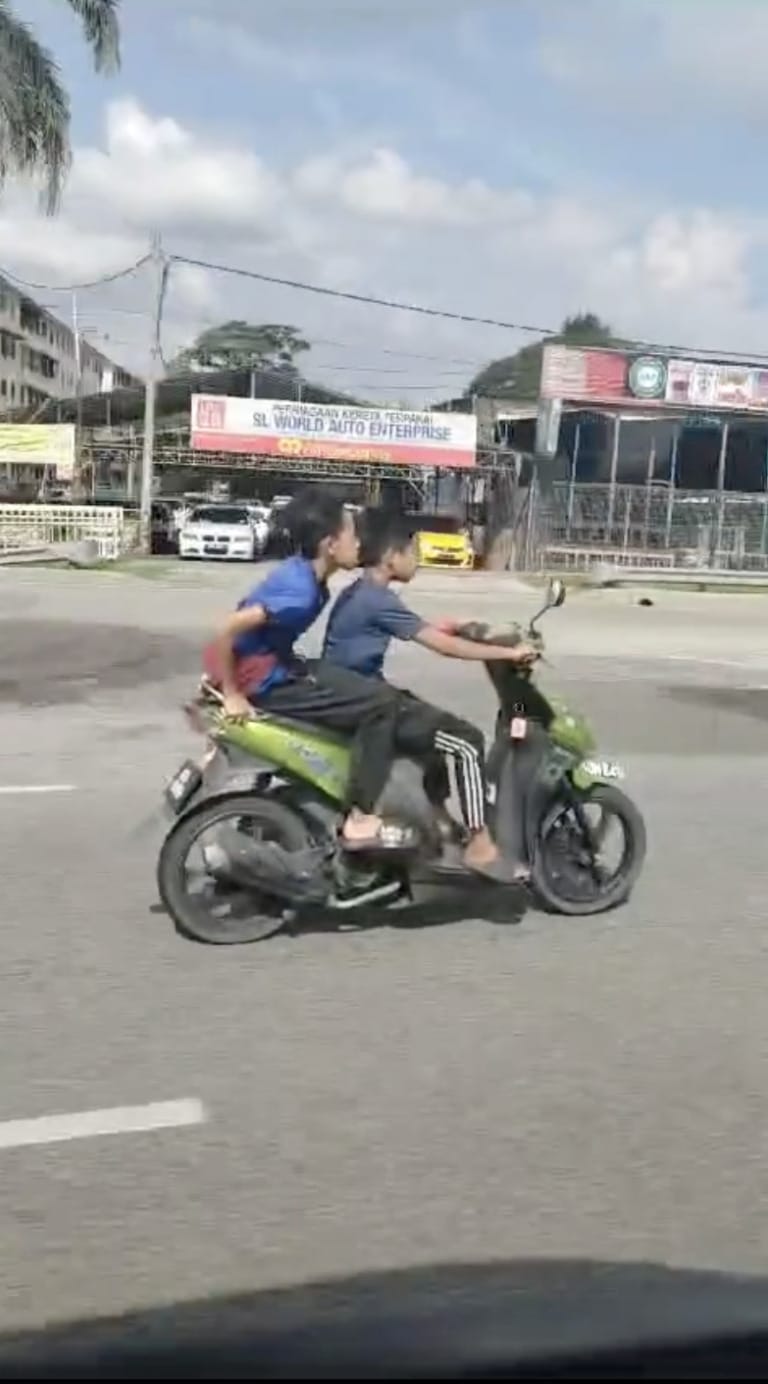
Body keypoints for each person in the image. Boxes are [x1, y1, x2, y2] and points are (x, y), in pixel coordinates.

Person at [322, 508, 537, 879]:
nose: (417, 558)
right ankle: (480, 845)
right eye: (414, 551)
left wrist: (455, 626)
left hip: (356, 695)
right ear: (392, 556)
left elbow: (413, 626)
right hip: (366, 704)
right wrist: (508, 653)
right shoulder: (377, 600)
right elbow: (441, 647)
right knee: (467, 740)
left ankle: (437, 820)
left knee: (431, 724)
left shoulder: (364, 593)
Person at [203, 489, 409, 853]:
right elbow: (228, 627)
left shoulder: (309, 579)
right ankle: (361, 817)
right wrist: (233, 693)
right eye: (351, 534)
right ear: (331, 544)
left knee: (347, 686)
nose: (359, 542)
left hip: (269, 666)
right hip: (260, 680)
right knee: (381, 704)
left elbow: (264, 633)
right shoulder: (300, 589)